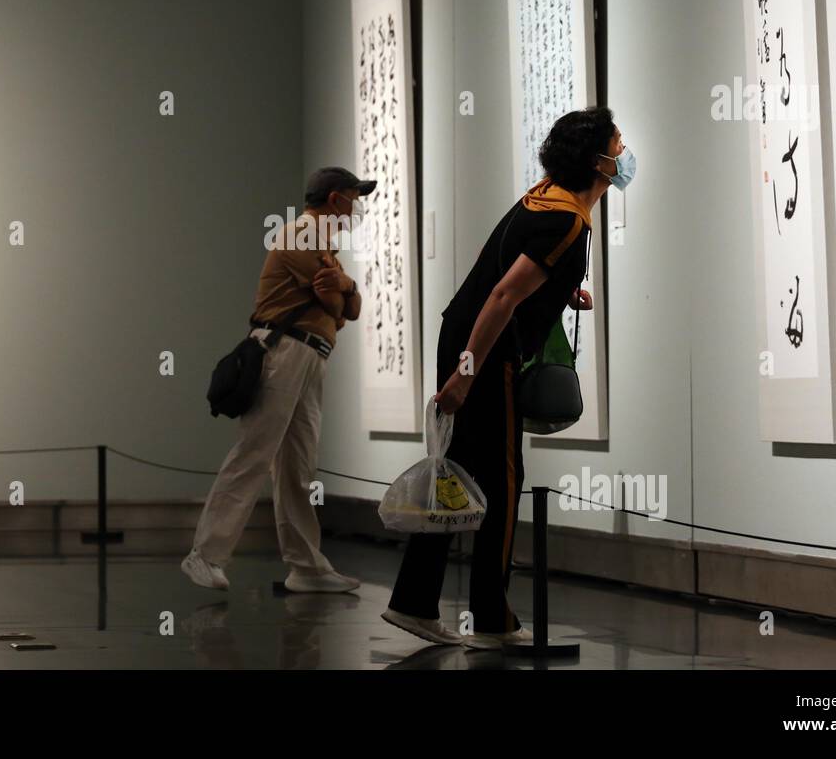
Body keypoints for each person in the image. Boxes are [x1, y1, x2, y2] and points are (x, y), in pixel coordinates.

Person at [382, 107, 635, 648]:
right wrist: (465, 377)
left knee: (458, 473)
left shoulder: (549, 196)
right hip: (484, 349)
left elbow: (508, 268)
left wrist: (560, 291)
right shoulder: (566, 219)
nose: (624, 154)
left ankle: (414, 603)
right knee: (501, 481)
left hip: (465, 334)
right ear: (598, 162)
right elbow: (502, 295)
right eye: (618, 145)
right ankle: (492, 621)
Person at [183, 167, 374, 593]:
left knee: (297, 465)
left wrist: (345, 286)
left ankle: (306, 565)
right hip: (284, 350)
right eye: (353, 196)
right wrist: (342, 295)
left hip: (309, 353)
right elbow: (335, 303)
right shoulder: (301, 234)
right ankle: (206, 554)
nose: (357, 206)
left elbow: (350, 306)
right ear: (333, 199)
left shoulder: (324, 245)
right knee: (255, 451)